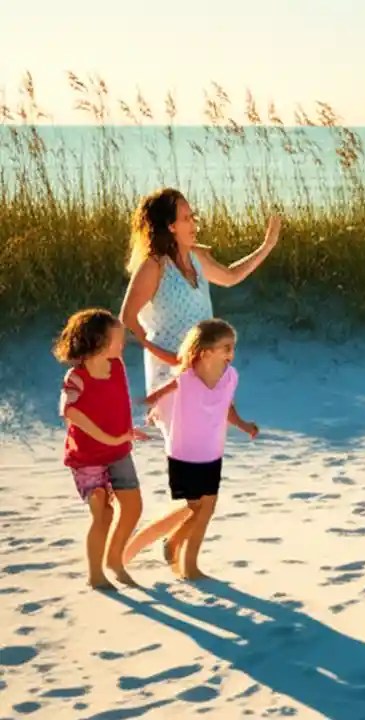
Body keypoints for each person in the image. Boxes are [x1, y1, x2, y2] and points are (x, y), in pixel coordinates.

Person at [119, 187, 280, 432]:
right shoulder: (154, 265)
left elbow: (230, 276)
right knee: (187, 453)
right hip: (170, 374)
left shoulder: (196, 258)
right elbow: (128, 317)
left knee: (205, 452)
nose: (193, 223)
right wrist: (160, 352)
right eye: (186, 218)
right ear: (170, 226)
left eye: (193, 216)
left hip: (205, 370)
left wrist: (267, 246)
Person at [123, 319, 259, 581]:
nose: (231, 354)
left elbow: (227, 407)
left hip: (211, 453)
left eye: (233, 347)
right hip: (183, 454)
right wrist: (150, 409)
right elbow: (157, 396)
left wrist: (243, 425)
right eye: (226, 347)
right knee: (195, 508)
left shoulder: (231, 377)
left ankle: (184, 559)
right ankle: (171, 548)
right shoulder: (185, 378)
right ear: (206, 352)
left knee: (204, 510)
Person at [52, 308, 151, 589]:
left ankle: (114, 560)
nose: (123, 343)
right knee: (103, 511)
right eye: (118, 338)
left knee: (133, 507)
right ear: (97, 341)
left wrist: (122, 435)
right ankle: (96, 575)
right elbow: (69, 411)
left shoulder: (117, 365)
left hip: (119, 451)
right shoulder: (76, 377)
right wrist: (110, 438)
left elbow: (116, 404)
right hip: (87, 457)